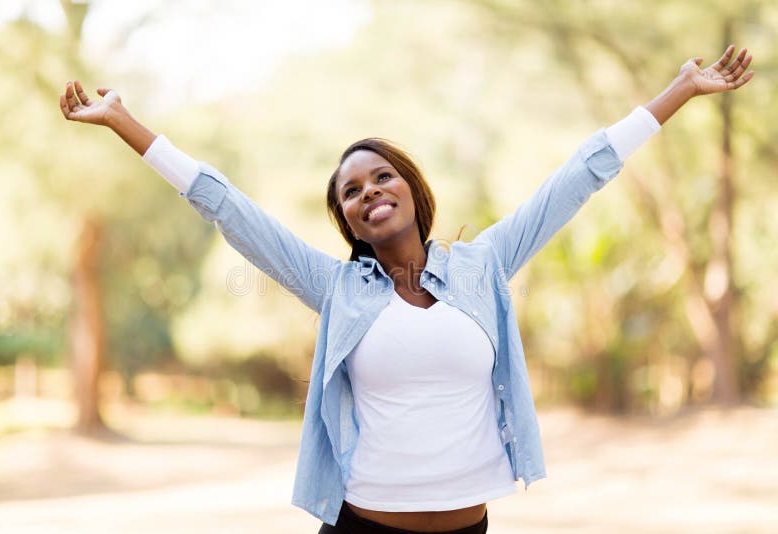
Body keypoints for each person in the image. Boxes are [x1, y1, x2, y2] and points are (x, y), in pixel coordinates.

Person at [60, 45, 753, 533]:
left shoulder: (485, 265)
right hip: (363, 523)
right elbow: (227, 206)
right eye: (351, 192)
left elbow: (580, 174)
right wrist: (125, 121)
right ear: (349, 220)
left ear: (412, 189)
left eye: (381, 177)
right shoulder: (335, 288)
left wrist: (680, 91)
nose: (369, 193)